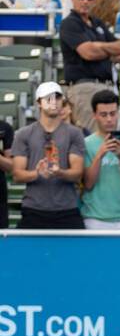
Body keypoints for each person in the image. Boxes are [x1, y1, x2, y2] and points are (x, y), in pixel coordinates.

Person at [12, 84, 85, 230]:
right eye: (48, 98)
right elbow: (17, 174)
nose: (53, 101)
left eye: (57, 97)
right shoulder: (23, 134)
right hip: (34, 209)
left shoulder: (74, 133)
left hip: (66, 209)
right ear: (39, 102)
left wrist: (59, 172)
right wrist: (37, 173)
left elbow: (78, 173)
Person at [59, 0, 120, 132]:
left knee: (111, 138)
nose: (85, 1)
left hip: (107, 87)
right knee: (90, 139)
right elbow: (88, 53)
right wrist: (106, 50)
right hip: (85, 88)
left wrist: (97, 46)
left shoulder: (97, 23)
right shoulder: (69, 23)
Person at [81, 90, 120, 230]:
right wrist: (100, 154)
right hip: (95, 218)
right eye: (103, 114)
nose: (109, 119)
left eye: (113, 113)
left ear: (118, 113)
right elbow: (88, 184)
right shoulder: (85, 144)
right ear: (95, 115)